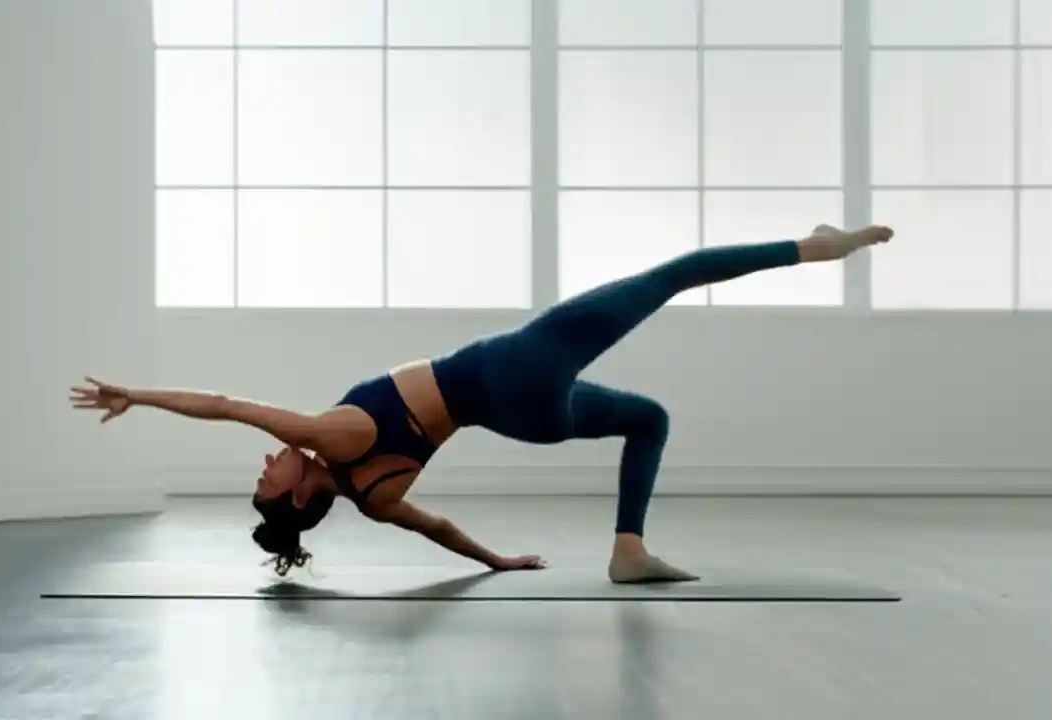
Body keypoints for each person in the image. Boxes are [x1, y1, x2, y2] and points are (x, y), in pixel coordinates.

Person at [71, 224, 892, 583]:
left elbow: (437, 529)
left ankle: (629, 550)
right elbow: (224, 404)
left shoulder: (371, 496)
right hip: (516, 368)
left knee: (649, 419)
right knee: (673, 274)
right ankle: (815, 248)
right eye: (265, 479)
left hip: (525, 419)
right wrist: (135, 396)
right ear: (293, 494)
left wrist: (498, 563)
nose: (265, 463)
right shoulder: (334, 435)